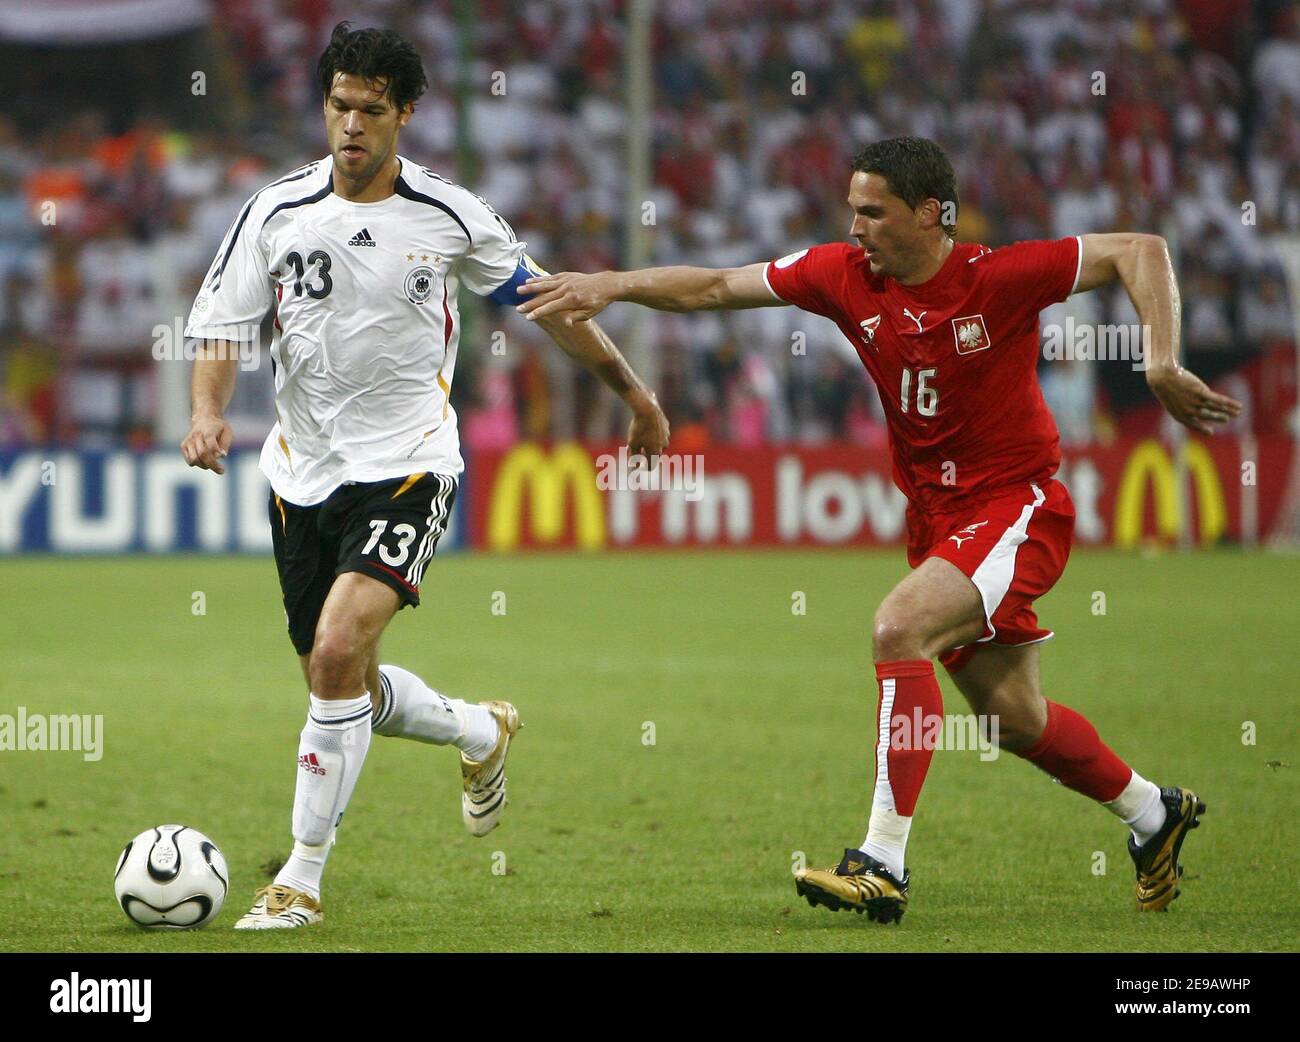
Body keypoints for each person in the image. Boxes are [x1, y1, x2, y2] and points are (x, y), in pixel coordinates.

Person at [517, 136, 1239, 923]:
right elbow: (717, 286)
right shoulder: (844, 276)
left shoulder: (999, 278)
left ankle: (881, 862)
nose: (855, 227)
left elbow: (1141, 249)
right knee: (1010, 718)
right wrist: (611, 285)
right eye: (851, 209)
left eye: (872, 210)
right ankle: (1152, 814)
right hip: (937, 522)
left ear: (930, 215)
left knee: (898, 628)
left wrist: (1161, 361)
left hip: (1016, 509)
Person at [180, 21, 669, 930]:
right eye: (338, 107)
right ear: (322, 108)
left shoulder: (452, 216)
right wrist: (207, 411)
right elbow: (220, 324)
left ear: (405, 114)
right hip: (300, 475)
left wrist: (633, 392)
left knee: (334, 653)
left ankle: (301, 878)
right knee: (344, 683)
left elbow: (553, 307)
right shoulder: (275, 210)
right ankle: (479, 730)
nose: (352, 127)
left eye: (371, 110)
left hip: (409, 464)